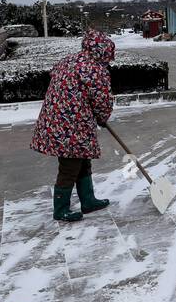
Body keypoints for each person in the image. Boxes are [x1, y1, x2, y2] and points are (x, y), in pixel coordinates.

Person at [29, 29, 115, 222]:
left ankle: (88, 200)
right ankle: (61, 210)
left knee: (82, 160)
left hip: (55, 120)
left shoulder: (69, 60)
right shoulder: (95, 69)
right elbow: (102, 100)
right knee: (69, 166)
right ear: (103, 51)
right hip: (72, 125)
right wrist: (102, 117)